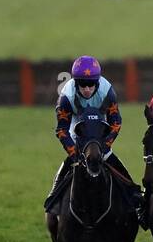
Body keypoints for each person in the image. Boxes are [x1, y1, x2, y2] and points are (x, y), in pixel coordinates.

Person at [44, 55, 146, 227]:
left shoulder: (107, 91)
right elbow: (62, 129)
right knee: (71, 161)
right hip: (77, 125)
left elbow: (115, 123)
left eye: (91, 84)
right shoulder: (66, 97)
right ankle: (54, 196)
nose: (87, 89)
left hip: (100, 124)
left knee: (108, 158)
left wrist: (105, 147)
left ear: (97, 82)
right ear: (76, 83)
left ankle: (133, 195)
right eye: (82, 84)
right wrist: (74, 153)